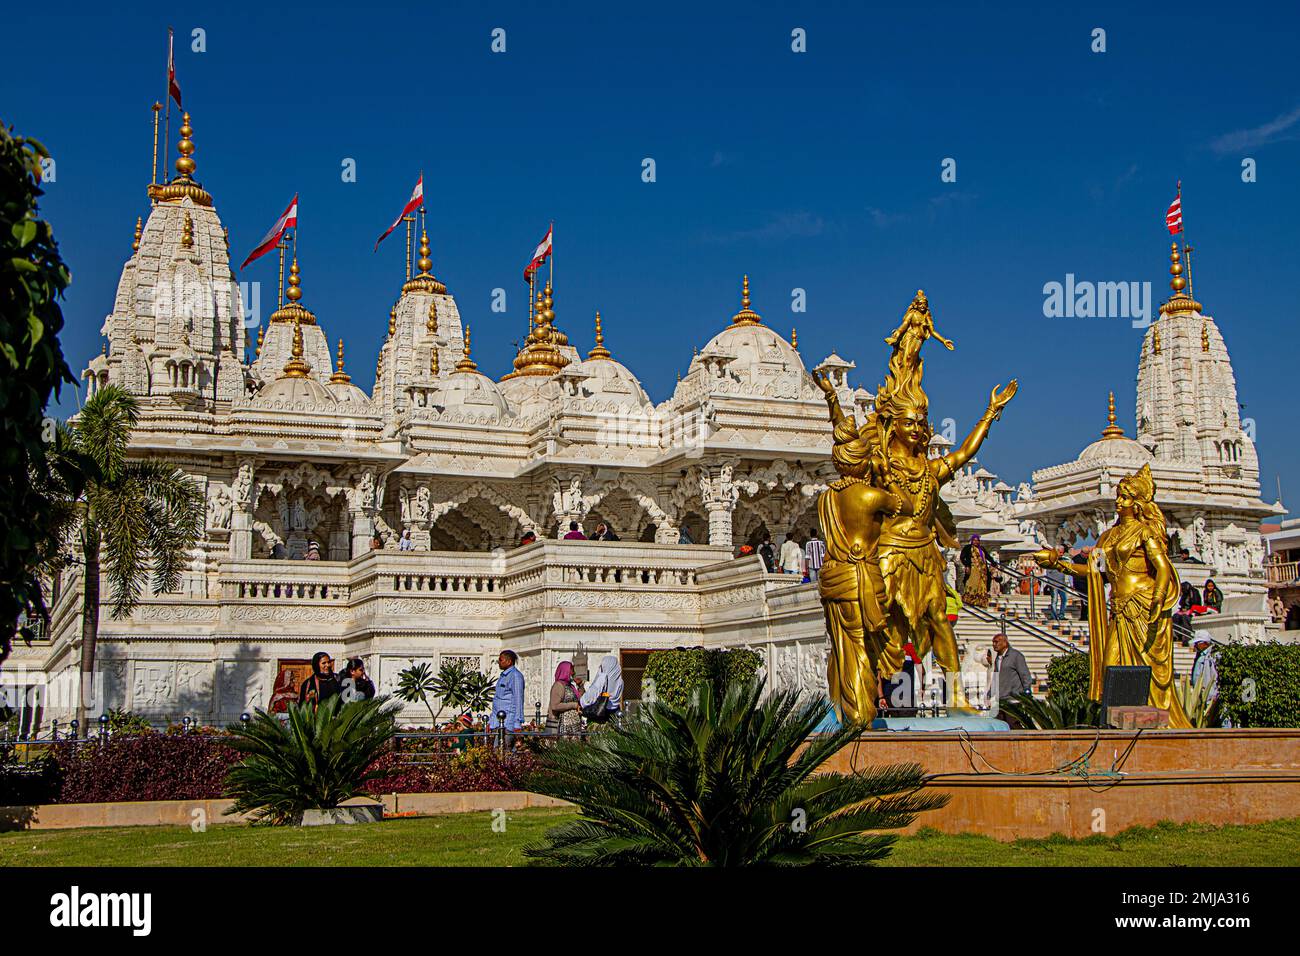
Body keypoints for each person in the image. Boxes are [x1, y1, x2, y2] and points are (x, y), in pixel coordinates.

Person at [545, 661, 585, 736]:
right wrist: (574, 705)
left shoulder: (571, 686)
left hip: (573, 726)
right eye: (572, 670)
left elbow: (581, 700)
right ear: (565, 671)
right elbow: (555, 706)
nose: (573, 673)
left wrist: (580, 686)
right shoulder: (558, 685)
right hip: (561, 727)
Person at [489, 650, 525, 731]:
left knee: (503, 744)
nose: (499, 662)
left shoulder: (515, 676)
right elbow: (498, 699)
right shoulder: (503, 676)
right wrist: (491, 722)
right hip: (497, 721)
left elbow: (518, 699)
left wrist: (517, 723)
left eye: (501, 660)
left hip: (509, 723)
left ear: (509, 661)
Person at [580, 655, 624, 721]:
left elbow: (591, 695)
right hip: (614, 713)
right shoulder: (620, 681)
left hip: (600, 713)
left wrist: (581, 702)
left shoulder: (603, 677)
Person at [991, 632, 1032, 700]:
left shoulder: (1016, 656)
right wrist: (991, 693)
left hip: (1014, 698)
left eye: (996, 642)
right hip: (1001, 698)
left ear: (1005, 642)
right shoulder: (998, 658)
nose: (994, 645)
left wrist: (1026, 690)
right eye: (993, 642)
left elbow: (1025, 675)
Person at [1189, 630, 1220, 705]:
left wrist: (1213, 695)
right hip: (1199, 696)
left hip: (1209, 697)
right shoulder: (1200, 655)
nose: (1195, 645)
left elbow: (1214, 676)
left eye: (1198, 643)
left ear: (1205, 643)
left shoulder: (1213, 656)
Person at [961, 535, 990, 608]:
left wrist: (993, 563)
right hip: (973, 568)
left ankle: (980, 601)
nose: (976, 542)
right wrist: (967, 565)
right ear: (971, 541)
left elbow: (988, 556)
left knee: (982, 585)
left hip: (982, 570)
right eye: (974, 540)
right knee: (972, 583)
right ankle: (969, 600)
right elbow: (962, 557)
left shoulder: (981, 549)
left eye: (977, 540)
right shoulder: (968, 548)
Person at [1044, 549, 1069, 620]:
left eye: (1062, 552)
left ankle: (1061, 615)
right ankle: (1054, 616)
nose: (1061, 554)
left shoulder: (1063, 560)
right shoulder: (1051, 561)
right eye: (1060, 552)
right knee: (1054, 600)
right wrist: (1050, 583)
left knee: (1064, 599)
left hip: (1062, 584)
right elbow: (1048, 573)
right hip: (1054, 584)